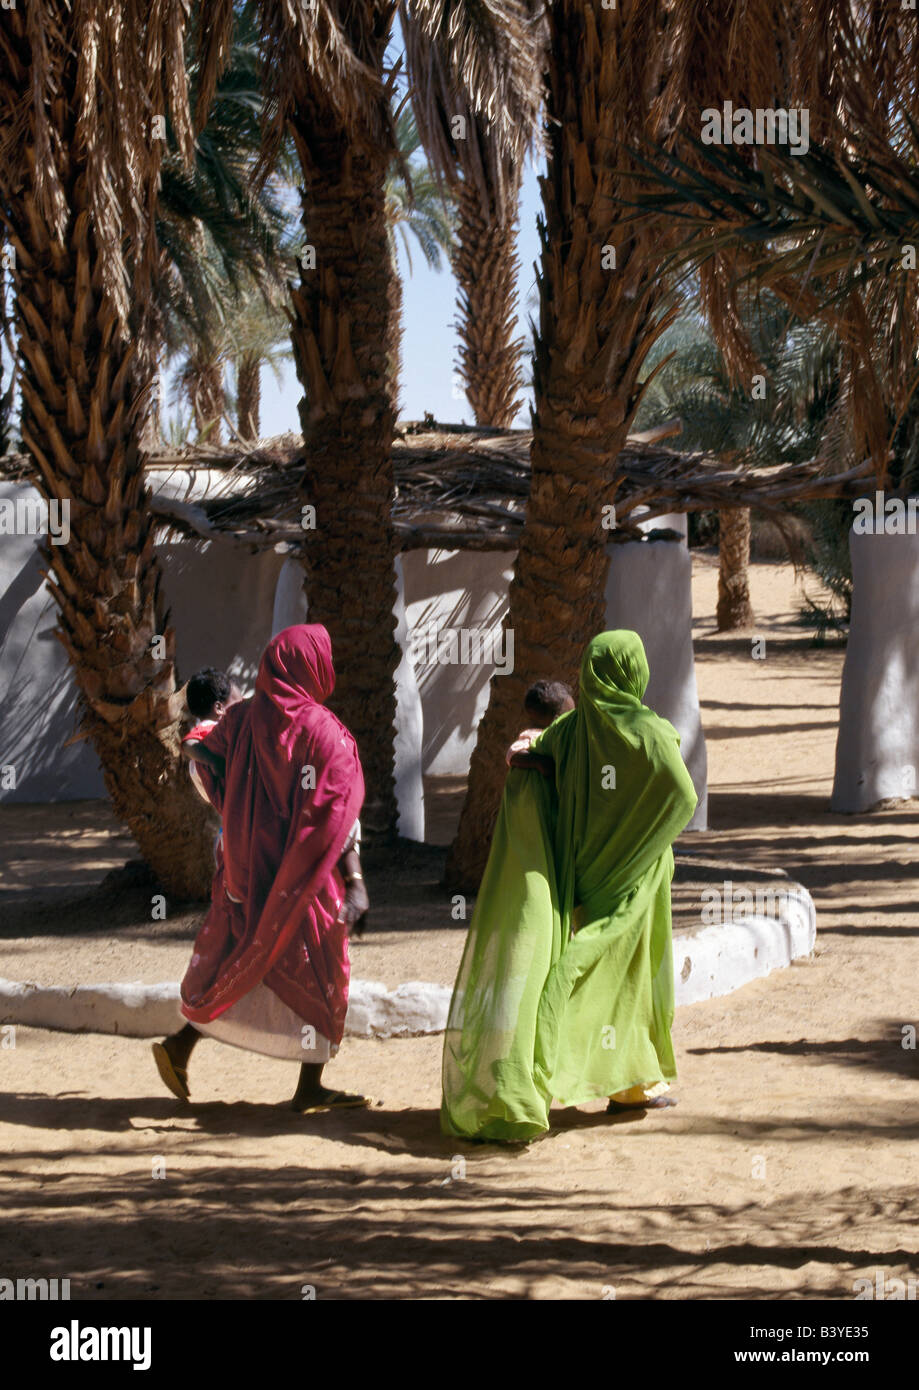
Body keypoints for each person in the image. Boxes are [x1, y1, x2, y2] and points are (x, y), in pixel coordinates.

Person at [442, 629, 698, 1143]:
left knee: (614, 979)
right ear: (634, 671)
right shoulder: (650, 731)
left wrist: (526, 752)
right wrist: (646, 843)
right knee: (630, 982)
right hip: (635, 883)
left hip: (586, 878)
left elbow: (532, 757)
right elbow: (682, 797)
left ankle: (627, 1086)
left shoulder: (572, 731)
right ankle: (623, 1087)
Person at [152, 624, 370, 1114]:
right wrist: (355, 881)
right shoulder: (323, 731)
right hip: (304, 879)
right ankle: (310, 1088)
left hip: (248, 875)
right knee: (322, 970)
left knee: (247, 958)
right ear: (313, 665)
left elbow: (199, 747)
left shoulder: (243, 718)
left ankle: (180, 1046)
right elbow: (338, 815)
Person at [181, 668, 243, 806]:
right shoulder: (210, 728)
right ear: (219, 708)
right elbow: (188, 744)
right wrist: (212, 760)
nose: (243, 705)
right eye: (240, 702)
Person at [504, 680, 575, 767]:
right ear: (556, 719)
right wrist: (539, 761)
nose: (573, 720)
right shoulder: (535, 735)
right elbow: (512, 753)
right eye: (569, 716)